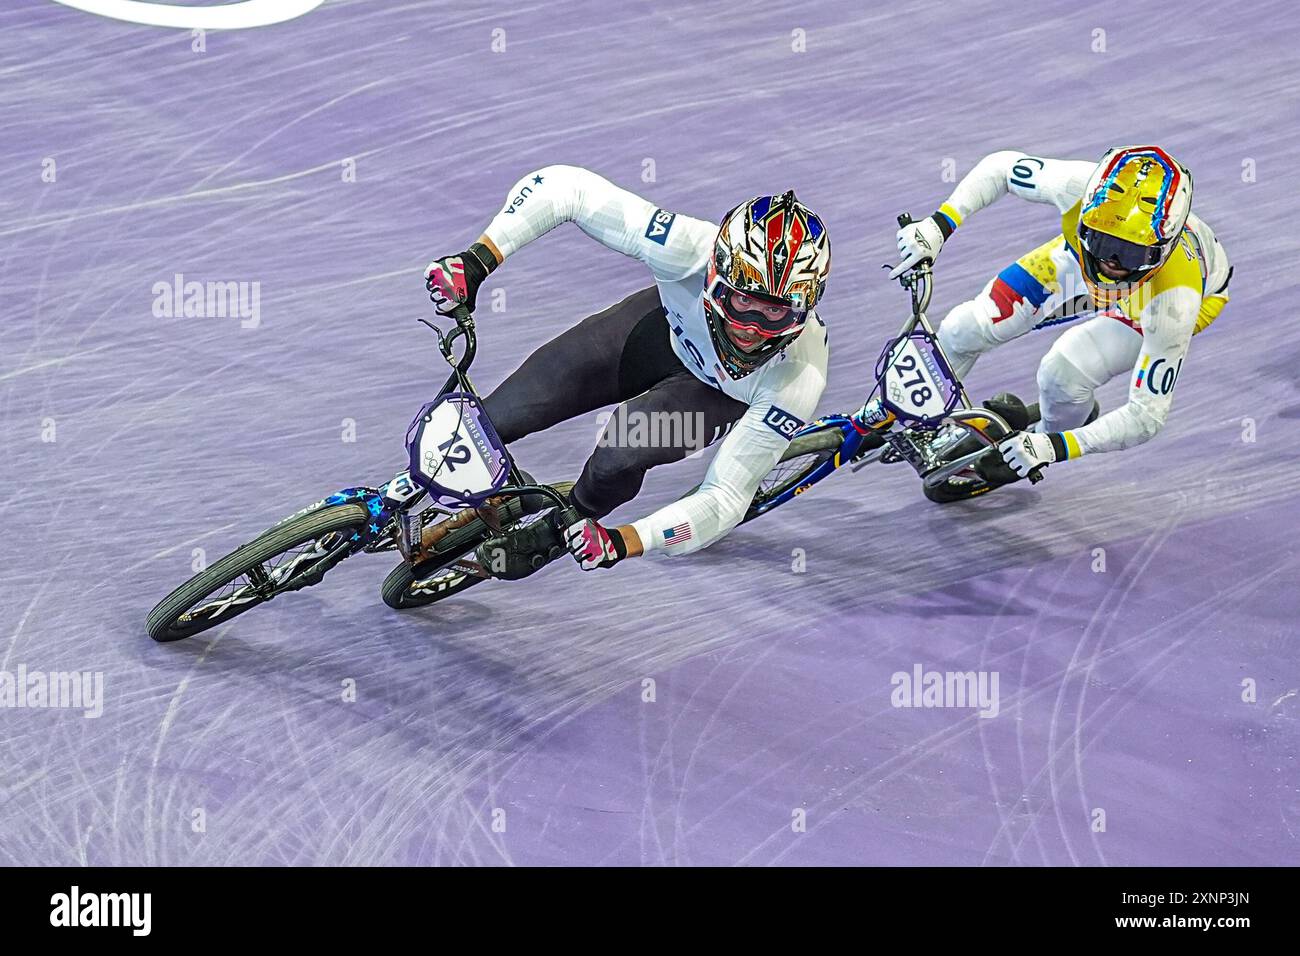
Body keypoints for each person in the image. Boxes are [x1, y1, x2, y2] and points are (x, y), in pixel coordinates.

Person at [422, 166, 831, 572]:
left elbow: (725, 498)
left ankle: (567, 519)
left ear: (805, 307)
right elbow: (571, 191)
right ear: (714, 273)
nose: (752, 330)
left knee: (621, 451)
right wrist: (478, 259)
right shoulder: (686, 247)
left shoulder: (799, 376)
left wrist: (624, 541)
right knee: (496, 418)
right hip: (659, 335)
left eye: (775, 312)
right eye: (741, 301)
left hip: (712, 398)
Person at [888, 145, 1231, 491]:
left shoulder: (1176, 303)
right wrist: (939, 224)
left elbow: (1146, 416)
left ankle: (1045, 431)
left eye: (1129, 252)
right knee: (965, 329)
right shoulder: (1078, 185)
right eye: (1101, 239)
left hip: (1150, 299)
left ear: (1162, 250)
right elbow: (1002, 168)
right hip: (1084, 265)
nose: (1111, 262)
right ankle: (891, 412)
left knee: (1061, 374)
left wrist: (1054, 446)